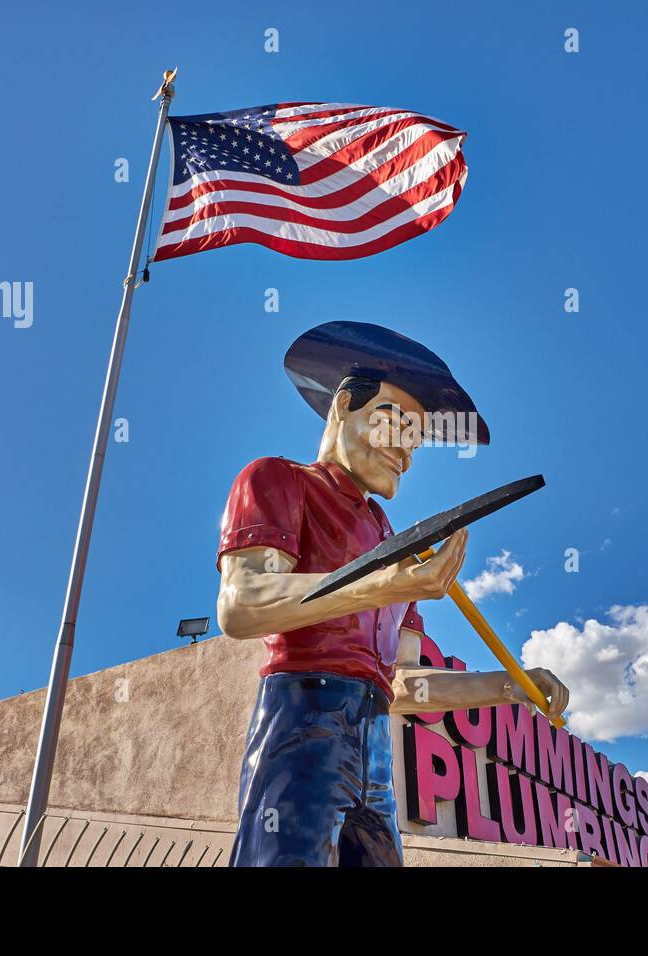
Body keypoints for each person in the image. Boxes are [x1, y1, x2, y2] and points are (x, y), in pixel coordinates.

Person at [217, 321, 569, 866]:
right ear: (343, 405)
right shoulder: (278, 480)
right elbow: (242, 604)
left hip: (374, 749)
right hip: (300, 724)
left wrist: (511, 685)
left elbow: (402, 683)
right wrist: (383, 584)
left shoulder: (393, 544)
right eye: (395, 422)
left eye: (417, 437)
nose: (406, 449)